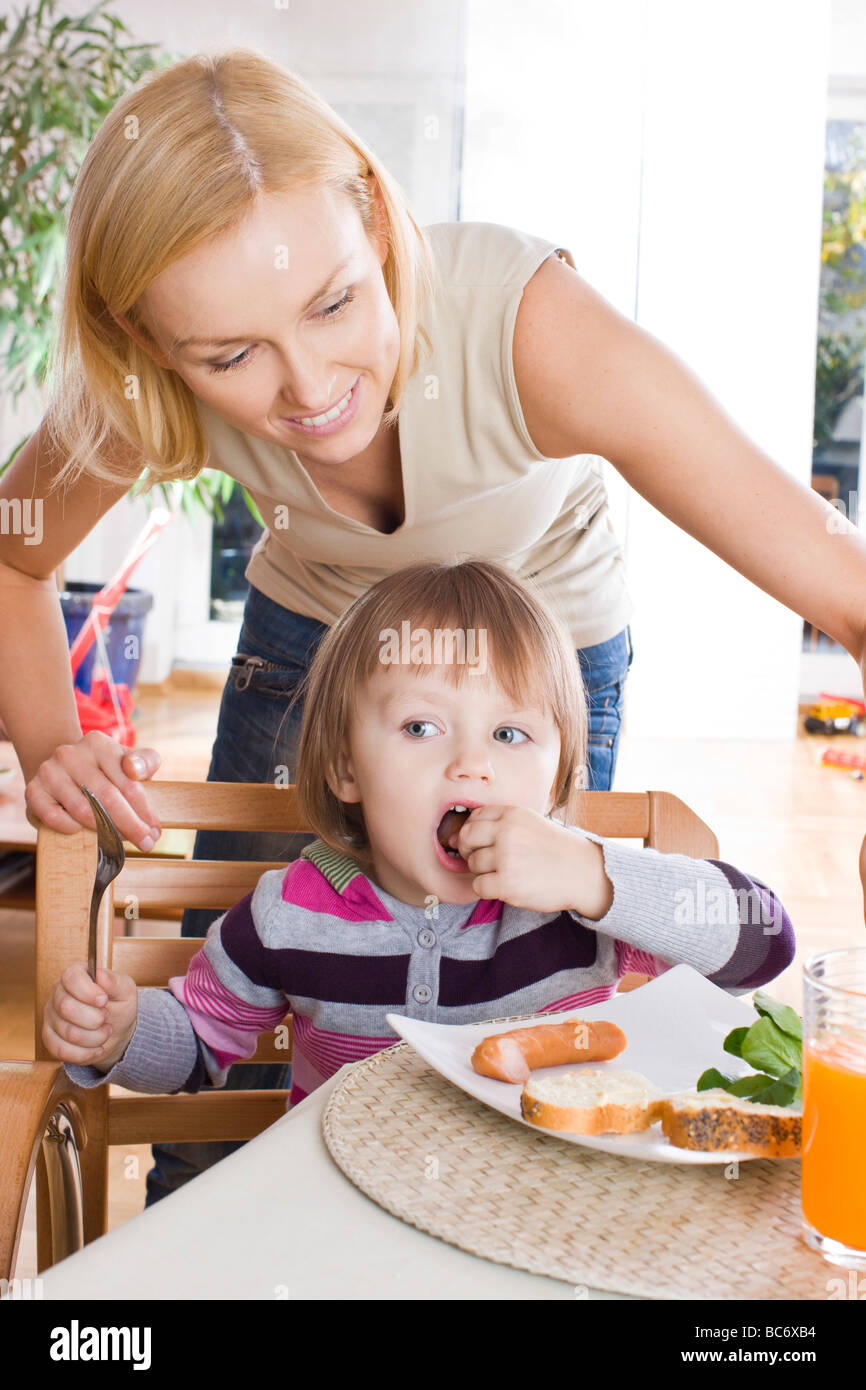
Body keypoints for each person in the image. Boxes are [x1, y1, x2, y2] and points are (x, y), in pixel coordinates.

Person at [0, 47, 852, 1196]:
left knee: (533, 979)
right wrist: (55, 746)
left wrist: (594, 871)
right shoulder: (146, 391)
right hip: (318, 628)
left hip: (532, 642)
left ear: (373, 214)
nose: (309, 390)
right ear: (152, 343)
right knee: (240, 1026)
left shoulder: (523, 328)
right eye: (230, 357)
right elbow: (13, 556)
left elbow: (840, 589)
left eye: (336, 302)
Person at [42, 558, 795, 1129]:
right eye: (420, 728)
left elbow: (766, 943)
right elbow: (199, 1046)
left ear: (562, 771)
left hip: (544, 1230)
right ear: (345, 767)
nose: (470, 762)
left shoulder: (583, 904)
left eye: (509, 733)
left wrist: (594, 878)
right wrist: (121, 1032)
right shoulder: (289, 913)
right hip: (344, 1236)